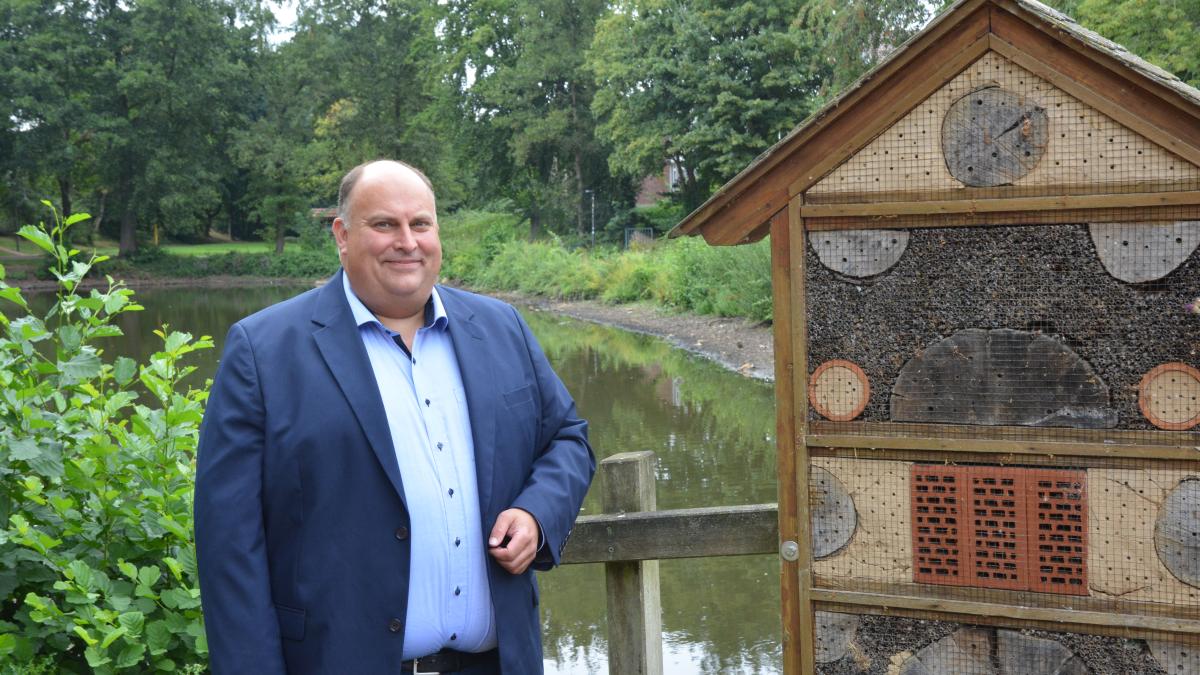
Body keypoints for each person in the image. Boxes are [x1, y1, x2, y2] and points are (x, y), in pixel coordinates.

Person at [194, 159, 596, 674]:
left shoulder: (502, 328)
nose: (407, 241)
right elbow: (229, 547)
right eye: (384, 224)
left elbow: (568, 438)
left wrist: (538, 514)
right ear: (342, 235)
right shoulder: (263, 351)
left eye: (421, 224)